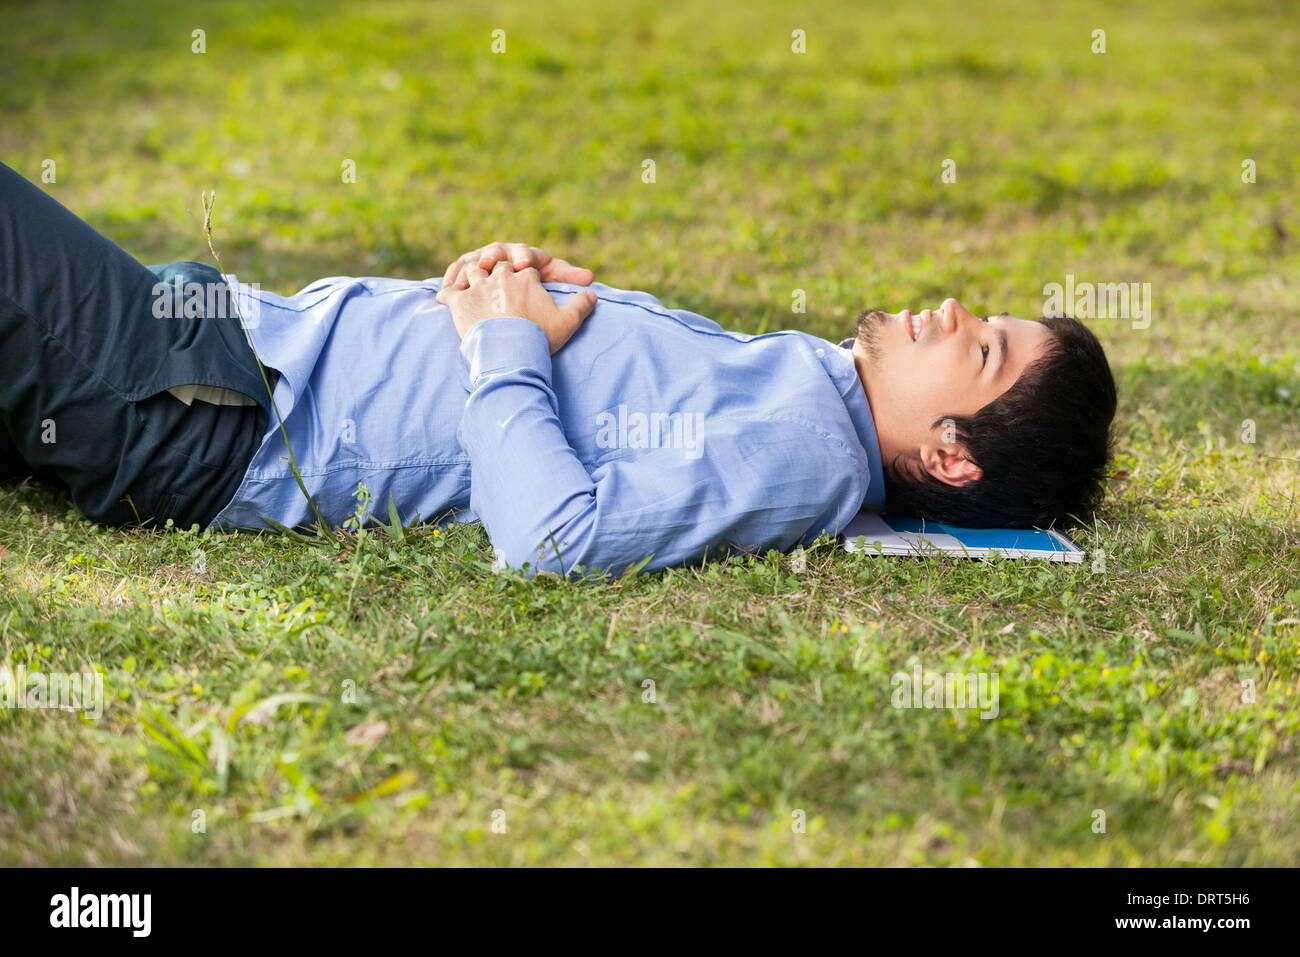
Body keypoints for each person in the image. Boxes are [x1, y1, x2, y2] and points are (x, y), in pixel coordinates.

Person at [0, 162, 1117, 577]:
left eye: (982, 349)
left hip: (200, 406)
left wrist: (504, 339)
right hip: (219, 345)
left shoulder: (803, 453)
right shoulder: (806, 391)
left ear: (949, 458)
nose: (958, 310)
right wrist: (497, 290)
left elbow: (551, 538)